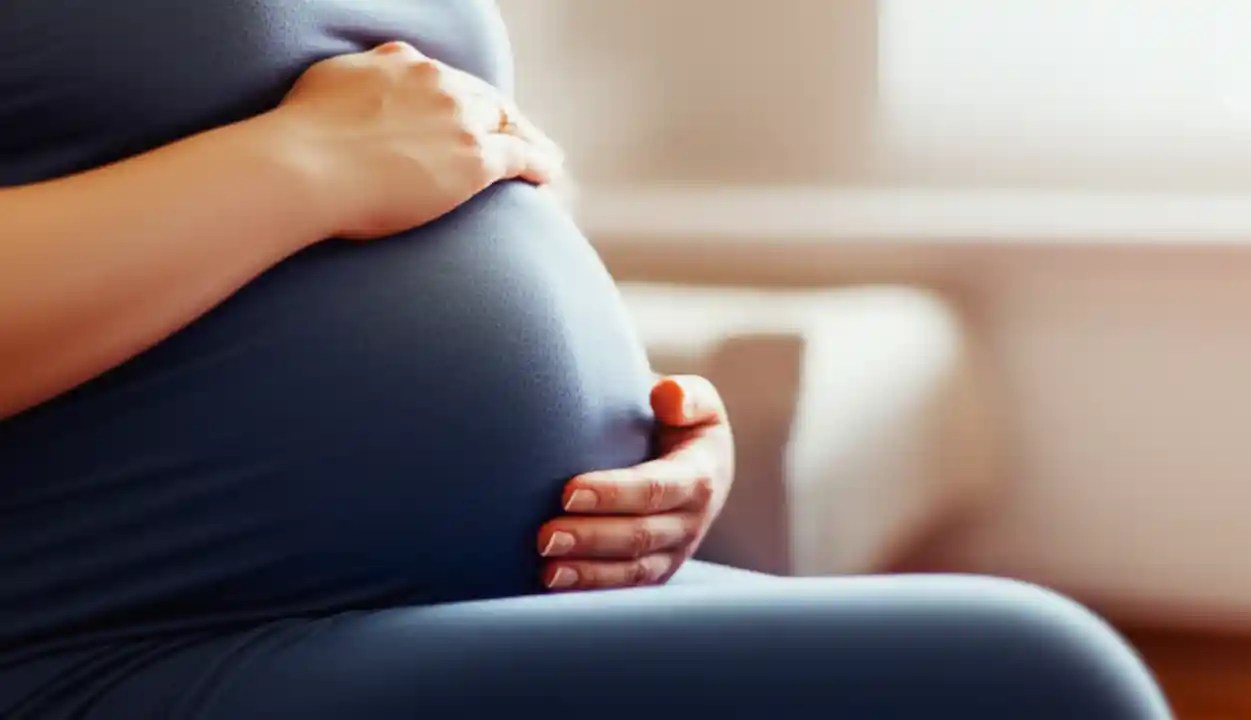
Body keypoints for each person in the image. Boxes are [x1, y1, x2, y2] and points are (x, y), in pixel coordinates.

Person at [0, 1, 1170, 717]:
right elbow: (350, 154)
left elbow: (459, 160)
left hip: (448, 601)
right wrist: (303, 166)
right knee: (1036, 679)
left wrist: (649, 423)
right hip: (114, 642)